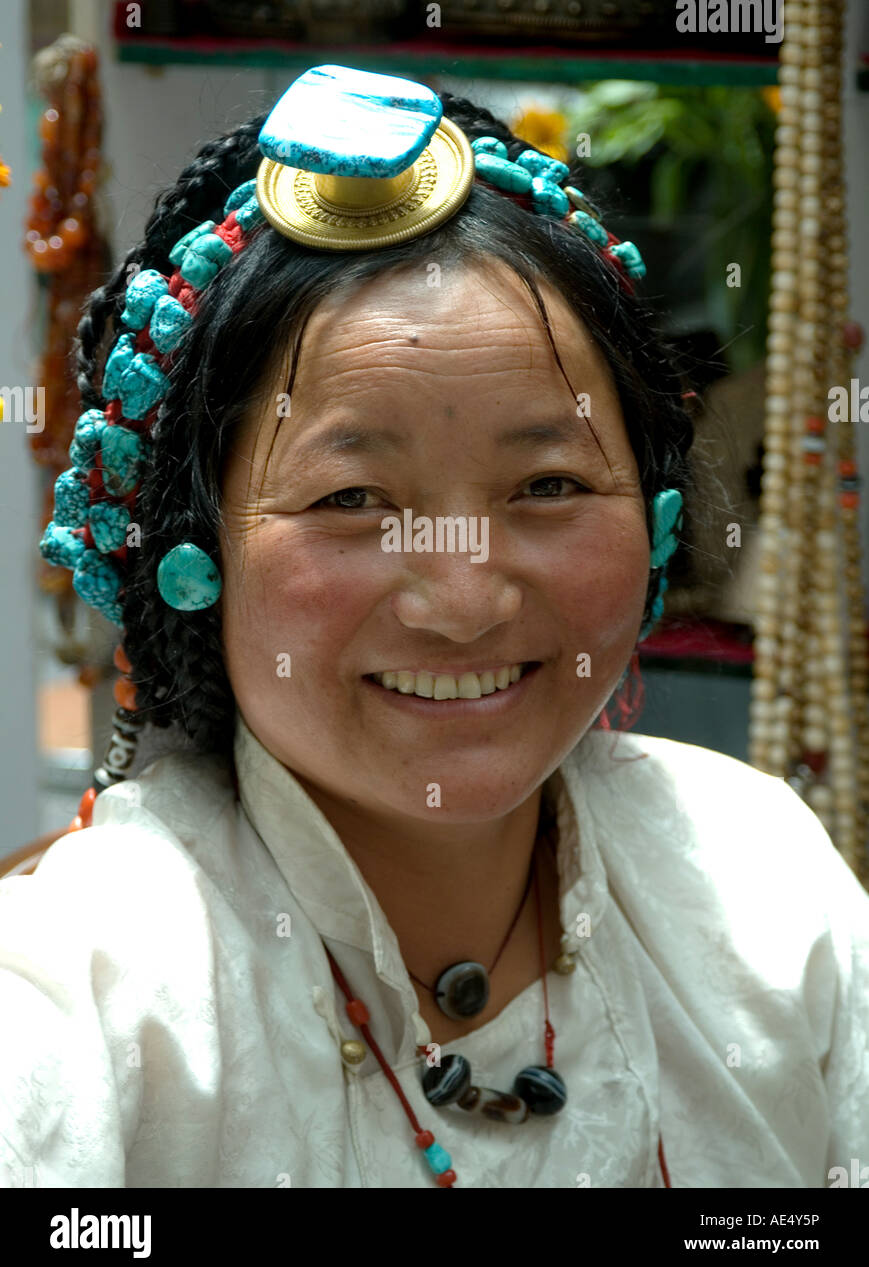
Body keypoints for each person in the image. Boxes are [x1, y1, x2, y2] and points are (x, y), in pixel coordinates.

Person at [1, 64, 867, 1189]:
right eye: (350, 502)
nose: (462, 600)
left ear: (652, 521)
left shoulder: (755, 878)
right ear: (193, 553)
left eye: (547, 485)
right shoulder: (88, 995)